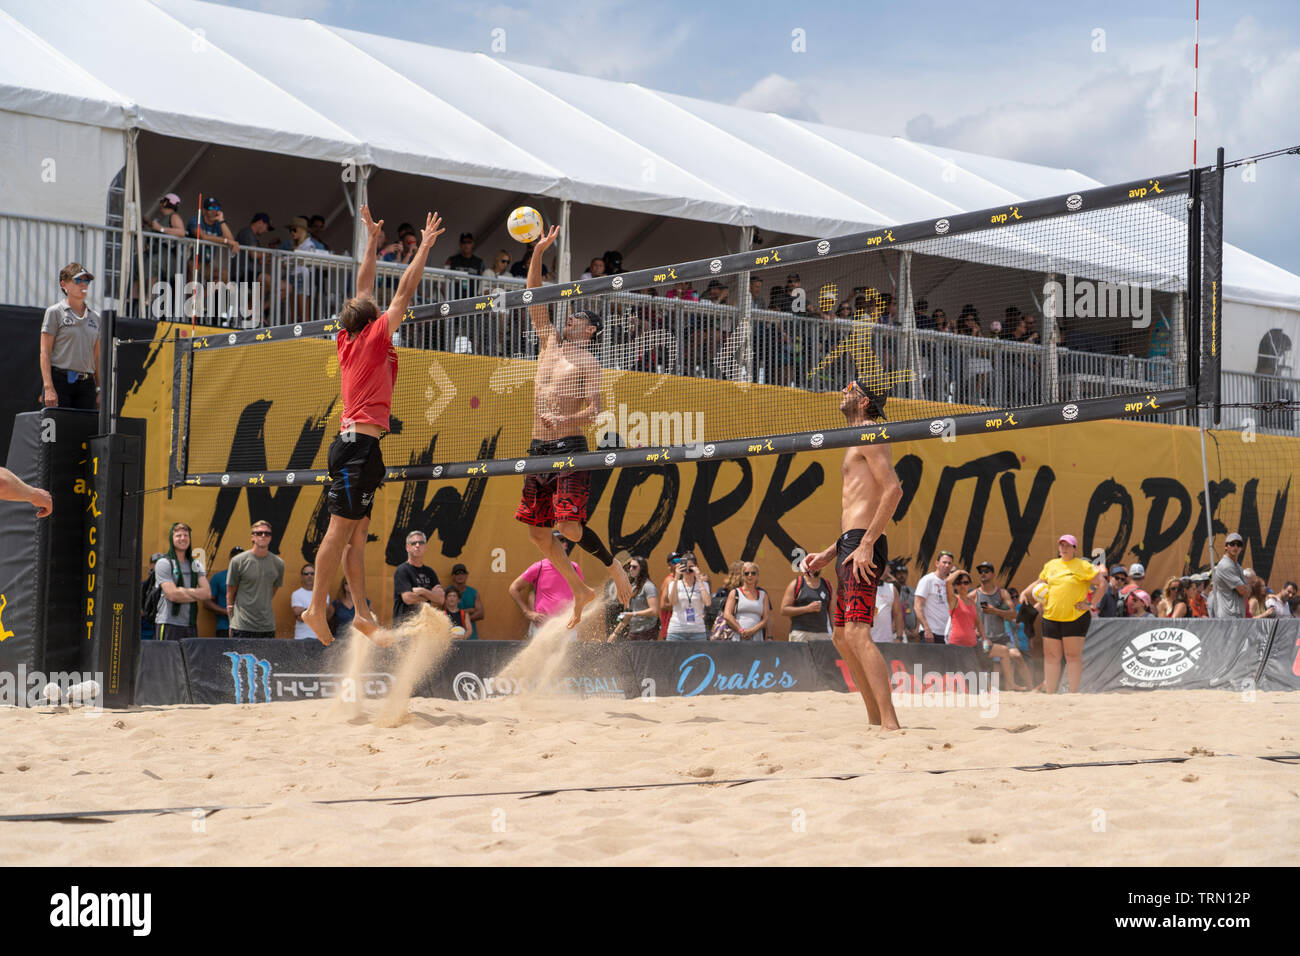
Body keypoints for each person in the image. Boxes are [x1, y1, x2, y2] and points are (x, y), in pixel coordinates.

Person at [303, 207, 444, 646]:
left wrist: (371, 240)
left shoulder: (348, 335)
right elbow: (404, 291)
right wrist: (422, 246)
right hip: (354, 446)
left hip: (367, 447)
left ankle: (362, 612)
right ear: (371, 319)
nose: (379, 305)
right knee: (338, 530)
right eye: (375, 309)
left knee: (358, 533)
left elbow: (364, 285)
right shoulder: (373, 335)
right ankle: (315, 606)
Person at [513, 225, 631, 628]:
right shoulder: (548, 342)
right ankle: (580, 590)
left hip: (570, 446)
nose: (570, 318)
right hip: (537, 449)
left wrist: (565, 418)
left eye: (578, 317)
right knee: (538, 537)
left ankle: (612, 565)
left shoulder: (587, 362)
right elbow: (533, 299)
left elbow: (597, 409)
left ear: (591, 330)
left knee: (569, 528)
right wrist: (537, 251)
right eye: (571, 314)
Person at [802, 379, 901, 730]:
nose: (843, 391)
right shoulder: (855, 438)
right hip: (851, 543)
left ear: (863, 402)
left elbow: (893, 490)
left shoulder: (870, 433)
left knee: (857, 633)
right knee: (842, 636)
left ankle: (889, 723)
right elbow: (860, 506)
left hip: (863, 544)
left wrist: (867, 543)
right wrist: (831, 553)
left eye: (851, 389)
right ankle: (875, 719)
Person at [1021, 534, 1104, 694]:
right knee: (1052, 657)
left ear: (1075, 548)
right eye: (1061, 545)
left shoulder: (1083, 566)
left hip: (1076, 617)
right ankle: (1051, 694)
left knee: (1072, 656)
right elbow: (1039, 583)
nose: (1064, 548)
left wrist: (1090, 605)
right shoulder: (1051, 565)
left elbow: (1102, 583)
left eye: (1068, 545)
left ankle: (1073, 694)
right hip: (1051, 616)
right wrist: (1025, 592)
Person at [40, 263, 101, 410]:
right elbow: (45, 352)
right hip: (59, 381)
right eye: (78, 280)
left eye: (86, 281)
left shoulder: (96, 317)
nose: (83, 285)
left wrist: (100, 389)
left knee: (84, 432)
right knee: (59, 431)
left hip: (86, 384)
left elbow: (97, 357)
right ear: (63, 284)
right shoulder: (55, 312)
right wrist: (48, 388)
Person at [974, 560, 1029, 688]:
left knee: (1017, 656)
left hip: (1001, 636)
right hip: (984, 637)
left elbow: (1014, 615)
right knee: (990, 665)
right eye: (981, 571)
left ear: (993, 574)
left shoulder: (1002, 593)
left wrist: (996, 611)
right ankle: (1001, 687)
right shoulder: (974, 595)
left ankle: (1031, 687)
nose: (983, 573)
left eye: (986, 571)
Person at [226, 520, 284, 639]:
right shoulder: (238, 561)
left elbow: (272, 591)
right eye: (259, 533)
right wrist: (231, 622)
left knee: (266, 658)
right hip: (241, 625)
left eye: (267, 534)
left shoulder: (278, 563)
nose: (263, 536)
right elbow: (230, 593)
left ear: (271, 537)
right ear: (253, 537)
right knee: (240, 658)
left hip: (267, 626)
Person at [154, 522, 210, 641]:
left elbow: (206, 593)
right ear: (171, 539)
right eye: (178, 535)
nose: (183, 538)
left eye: (186, 535)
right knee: (167, 659)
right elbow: (172, 595)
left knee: (189, 660)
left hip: (190, 624)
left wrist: (181, 591)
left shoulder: (196, 564)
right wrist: (195, 593)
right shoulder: (164, 563)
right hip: (169, 623)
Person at [510, 557, 586, 638]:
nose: (565, 546)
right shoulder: (539, 567)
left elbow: (581, 593)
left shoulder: (574, 567)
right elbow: (514, 588)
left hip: (567, 628)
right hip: (543, 627)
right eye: (562, 544)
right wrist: (528, 612)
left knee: (570, 651)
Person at [393, 530, 445, 625]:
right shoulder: (402, 570)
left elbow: (441, 599)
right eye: (413, 543)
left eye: (421, 543)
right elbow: (408, 599)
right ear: (407, 547)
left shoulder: (430, 572)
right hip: (405, 627)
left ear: (425, 547)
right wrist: (431, 595)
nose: (417, 545)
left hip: (424, 626)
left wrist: (422, 591)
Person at [663, 552, 710, 641]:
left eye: (691, 568)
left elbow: (707, 602)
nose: (688, 571)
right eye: (685, 568)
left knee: (698, 655)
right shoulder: (674, 584)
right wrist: (677, 577)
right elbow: (673, 602)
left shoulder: (703, 585)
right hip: (677, 630)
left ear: (696, 567)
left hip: (697, 631)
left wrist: (699, 579)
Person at [782, 562, 833, 642]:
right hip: (800, 633)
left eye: (817, 565)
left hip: (823, 634)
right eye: (811, 566)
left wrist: (835, 633)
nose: (814, 568)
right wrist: (807, 608)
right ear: (805, 567)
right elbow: (784, 610)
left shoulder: (827, 585)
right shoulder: (796, 584)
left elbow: (832, 613)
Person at [722, 562, 771, 641]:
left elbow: (766, 618)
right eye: (746, 573)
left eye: (753, 573)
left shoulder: (763, 595)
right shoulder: (735, 592)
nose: (750, 575)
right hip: (737, 637)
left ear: (757, 575)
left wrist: (752, 631)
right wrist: (741, 630)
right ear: (742, 575)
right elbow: (727, 615)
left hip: (757, 637)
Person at [614, 556, 660, 640]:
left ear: (642, 569)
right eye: (629, 566)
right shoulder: (633, 586)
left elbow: (654, 611)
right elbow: (628, 613)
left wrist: (633, 614)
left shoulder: (648, 586)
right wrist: (615, 633)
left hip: (648, 631)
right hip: (633, 632)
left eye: (634, 567)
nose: (631, 569)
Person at [913, 550, 954, 643]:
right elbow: (917, 606)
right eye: (944, 562)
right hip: (931, 633)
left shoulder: (949, 583)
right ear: (937, 563)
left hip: (946, 634)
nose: (947, 565)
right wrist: (926, 629)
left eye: (949, 563)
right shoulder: (927, 580)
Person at [202, 547, 242, 638]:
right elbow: (206, 603)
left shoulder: (251, 578)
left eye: (241, 557)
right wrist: (226, 612)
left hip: (248, 627)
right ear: (230, 558)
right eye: (235, 557)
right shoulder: (219, 577)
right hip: (225, 627)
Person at [1211, 532, 1251, 619]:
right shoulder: (1226, 565)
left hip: (1236, 614)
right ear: (1226, 546)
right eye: (1232, 544)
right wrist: (1246, 587)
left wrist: (1245, 588)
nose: (1235, 547)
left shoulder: (1237, 566)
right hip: (1228, 616)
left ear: (1241, 548)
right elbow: (1243, 591)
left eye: (1238, 544)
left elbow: (1247, 592)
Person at [944, 569, 983, 649]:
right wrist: (960, 571)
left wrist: (985, 638)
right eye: (959, 583)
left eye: (965, 583)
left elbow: (978, 623)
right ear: (955, 586)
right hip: (956, 645)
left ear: (970, 585)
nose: (962, 585)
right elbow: (948, 582)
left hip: (972, 645)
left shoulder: (972, 602)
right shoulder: (954, 600)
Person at [291, 564, 331, 639]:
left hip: (320, 638)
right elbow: (298, 615)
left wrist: (304, 610)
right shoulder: (296, 594)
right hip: (301, 637)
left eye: (312, 573)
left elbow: (323, 614)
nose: (309, 576)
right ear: (302, 577)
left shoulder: (323, 593)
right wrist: (316, 610)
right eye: (306, 574)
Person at [447, 563, 483, 639]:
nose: (460, 576)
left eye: (463, 573)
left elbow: (480, 614)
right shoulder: (447, 592)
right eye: (457, 573)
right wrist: (470, 610)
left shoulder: (473, 592)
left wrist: (464, 619)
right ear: (453, 576)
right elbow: (447, 611)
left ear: (466, 575)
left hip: (471, 637)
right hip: (452, 637)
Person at [870, 565, 904, 644]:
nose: (888, 569)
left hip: (886, 640)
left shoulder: (892, 589)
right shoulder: (864, 586)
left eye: (887, 567)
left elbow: (898, 614)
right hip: (867, 639)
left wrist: (899, 637)